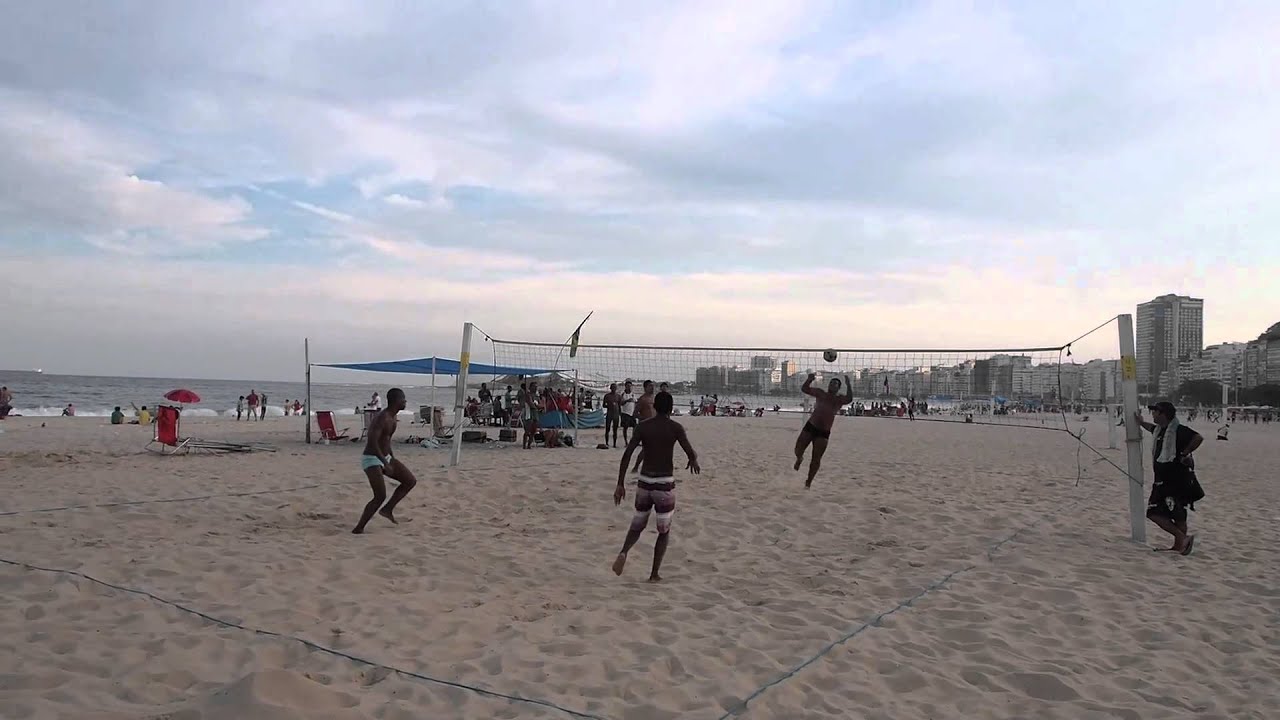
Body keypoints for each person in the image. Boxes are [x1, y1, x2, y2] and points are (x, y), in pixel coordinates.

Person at [613, 391, 700, 582]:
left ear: (654, 407)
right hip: (664, 484)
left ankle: (624, 551)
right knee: (664, 531)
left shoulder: (643, 427)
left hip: (645, 482)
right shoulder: (675, 427)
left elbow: (627, 454)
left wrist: (620, 483)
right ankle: (654, 574)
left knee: (637, 525)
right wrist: (693, 459)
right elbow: (688, 449)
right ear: (670, 408)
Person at [1135, 401, 1204, 555]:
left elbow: (1198, 438)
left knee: (1153, 513)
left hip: (1174, 479)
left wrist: (1184, 453)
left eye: (1155, 412)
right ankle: (1179, 546)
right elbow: (1151, 428)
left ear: (1163, 414)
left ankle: (1182, 538)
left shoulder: (1178, 430)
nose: (1153, 414)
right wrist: (1140, 423)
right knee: (1178, 514)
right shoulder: (1161, 430)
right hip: (1167, 478)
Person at [353, 388, 418, 534]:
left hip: (385, 457)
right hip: (371, 458)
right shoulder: (382, 418)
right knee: (380, 495)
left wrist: (391, 458)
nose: (405, 402)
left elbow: (386, 441)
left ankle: (388, 509)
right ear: (396, 401)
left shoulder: (394, 417)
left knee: (410, 481)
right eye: (403, 399)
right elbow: (372, 442)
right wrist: (385, 462)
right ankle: (359, 528)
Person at [794, 373, 853, 488]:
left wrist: (848, 384)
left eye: (835, 384)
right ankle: (799, 458)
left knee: (816, 459)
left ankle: (808, 482)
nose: (832, 385)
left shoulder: (839, 399)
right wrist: (809, 379)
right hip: (811, 425)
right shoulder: (820, 393)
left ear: (838, 388)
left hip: (823, 432)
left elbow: (849, 399)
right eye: (831, 383)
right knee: (798, 449)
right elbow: (804, 389)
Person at [631, 380, 658, 472]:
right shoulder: (642, 399)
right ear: (645, 388)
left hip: (655, 426)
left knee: (655, 447)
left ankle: (651, 466)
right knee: (646, 448)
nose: (652, 388)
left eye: (653, 386)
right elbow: (634, 414)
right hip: (646, 427)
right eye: (650, 386)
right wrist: (644, 419)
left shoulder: (655, 398)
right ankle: (636, 466)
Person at [602, 383, 622, 447]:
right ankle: (607, 443)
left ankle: (614, 444)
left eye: (615, 388)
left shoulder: (618, 396)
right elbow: (603, 405)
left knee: (615, 430)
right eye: (612, 388)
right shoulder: (607, 396)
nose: (614, 389)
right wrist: (610, 405)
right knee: (607, 429)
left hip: (616, 414)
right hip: (609, 413)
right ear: (610, 388)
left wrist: (620, 413)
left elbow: (619, 405)